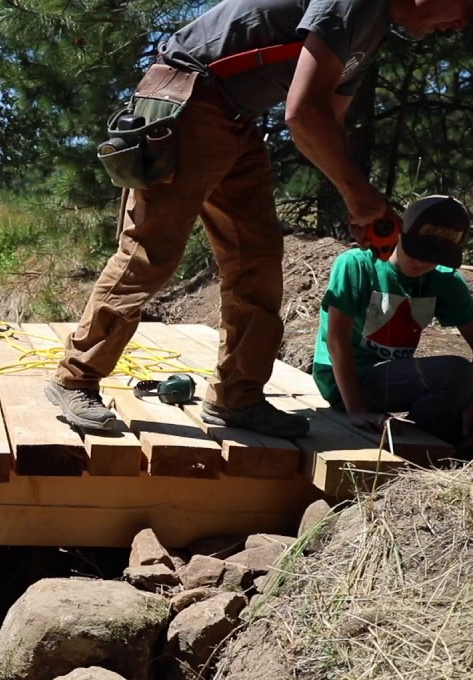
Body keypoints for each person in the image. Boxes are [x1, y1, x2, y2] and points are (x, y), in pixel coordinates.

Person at [45, 0, 473, 438]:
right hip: (189, 97)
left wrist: (356, 201)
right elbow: (302, 113)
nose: (461, 24)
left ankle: (237, 396)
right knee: (150, 252)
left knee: (258, 258)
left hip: (234, 117)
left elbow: (328, 120)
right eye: (465, 7)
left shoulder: (371, 31)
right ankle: (75, 378)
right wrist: (357, 193)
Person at [313, 195, 473, 454]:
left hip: (392, 379)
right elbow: (336, 341)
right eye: (417, 251)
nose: (421, 262)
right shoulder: (357, 264)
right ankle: (436, 439)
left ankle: (433, 437)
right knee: (456, 371)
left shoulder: (447, 282)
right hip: (345, 379)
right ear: (399, 232)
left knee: (465, 377)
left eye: (434, 257)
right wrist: (357, 410)